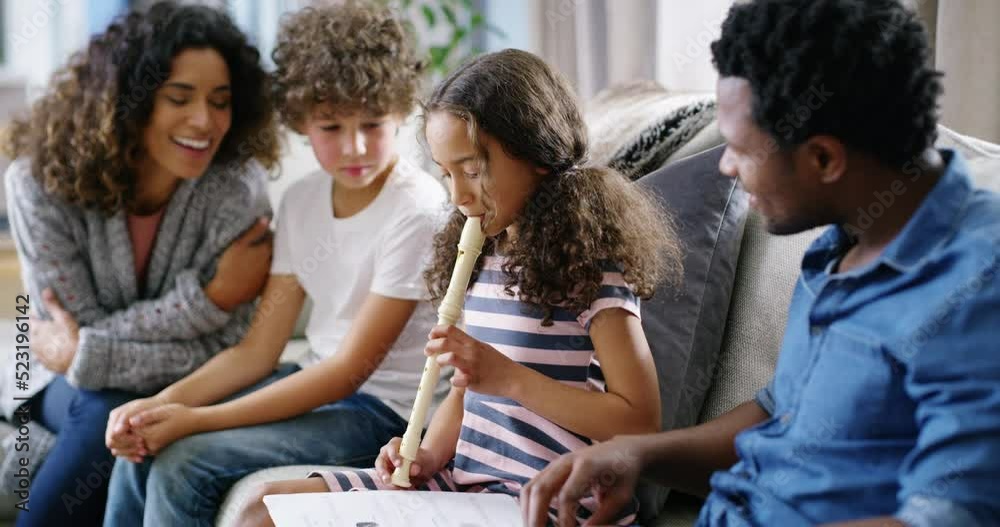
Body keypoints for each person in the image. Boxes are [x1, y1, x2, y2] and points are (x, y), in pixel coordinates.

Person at [522, 1, 1000, 526]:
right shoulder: (843, 240)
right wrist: (640, 454)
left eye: (741, 150)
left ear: (823, 159)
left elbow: (952, 517)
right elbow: (780, 415)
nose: (727, 166)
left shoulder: (976, 286)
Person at [233, 48, 685, 527]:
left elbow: (639, 421)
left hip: (546, 502)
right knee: (261, 508)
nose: (458, 195)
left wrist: (509, 378)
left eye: (472, 170)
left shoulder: (592, 270)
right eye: (446, 173)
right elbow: (465, 392)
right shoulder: (483, 253)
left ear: (536, 153)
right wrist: (425, 454)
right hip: (466, 483)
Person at [102, 3, 449, 526]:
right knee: (144, 445)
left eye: (373, 124)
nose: (354, 147)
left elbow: (348, 371)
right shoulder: (302, 201)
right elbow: (258, 350)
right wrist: (158, 405)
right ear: (301, 121)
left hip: (387, 414)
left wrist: (194, 421)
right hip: (319, 381)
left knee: (184, 462)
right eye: (331, 127)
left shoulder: (417, 208)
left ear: (402, 112)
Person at [0, 2, 278, 525]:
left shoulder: (237, 190)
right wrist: (208, 299)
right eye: (179, 97)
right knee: (108, 404)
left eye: (221, 101)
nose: (205, 121)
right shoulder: (38, 183)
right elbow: (68, 346)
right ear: (129, 101)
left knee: (124, 416)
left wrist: (86, 351)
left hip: (170, 385)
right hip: (67, 389)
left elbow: (227, 347)